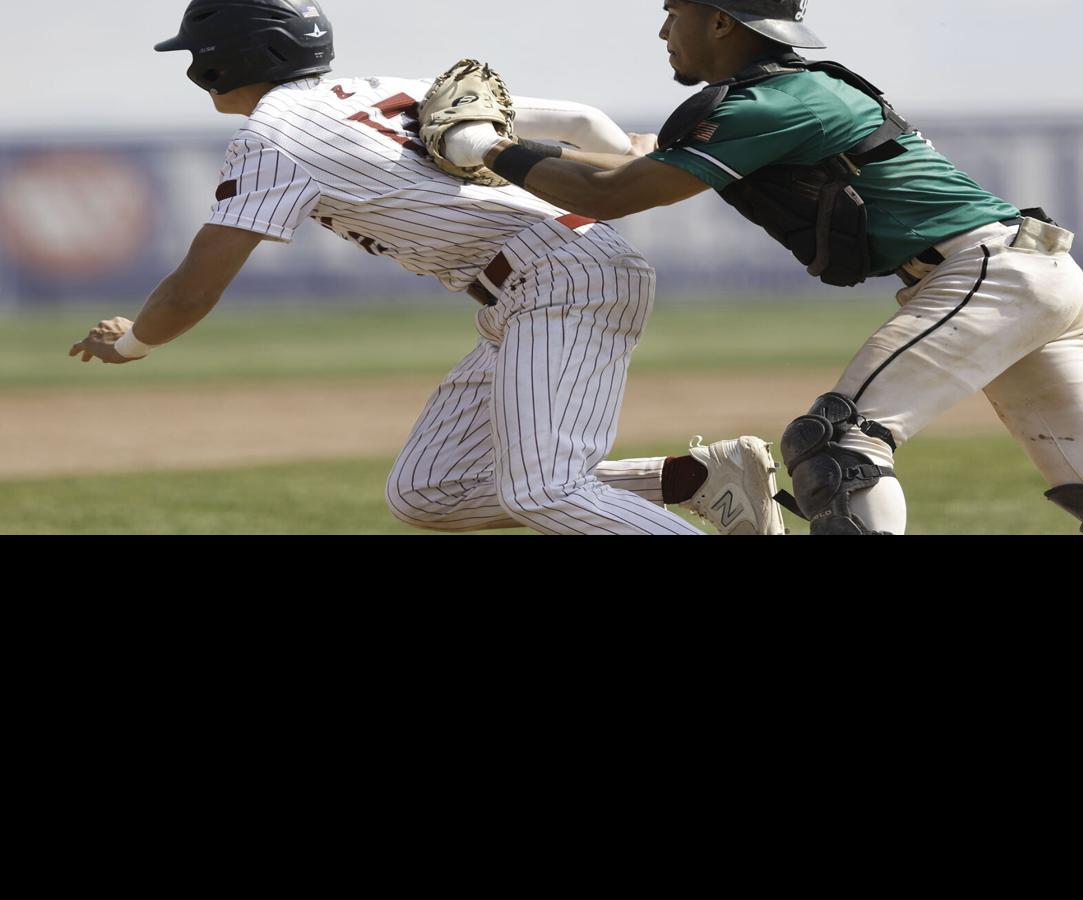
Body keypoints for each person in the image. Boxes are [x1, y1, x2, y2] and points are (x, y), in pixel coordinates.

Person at [424, 0, 1083, 535]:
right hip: (1019, 274)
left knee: (837, 446)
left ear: (720, 20)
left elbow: (621, 192)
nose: (664, 27)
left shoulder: (767, 104)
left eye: (675, 10)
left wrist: (486, 148)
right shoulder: (781, 97)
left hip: (989, 276)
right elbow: (632, 162)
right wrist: (521, 147)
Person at [67, 0, 784, 536]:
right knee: (430, 492)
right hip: (537, 283)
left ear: (220, 60)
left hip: (561, 276)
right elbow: (577, 120)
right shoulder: (372, 89)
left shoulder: (273, 138)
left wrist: (132, 340)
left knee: (545, 494)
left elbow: (194, 287)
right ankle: (699, 478)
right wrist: (622, 153)